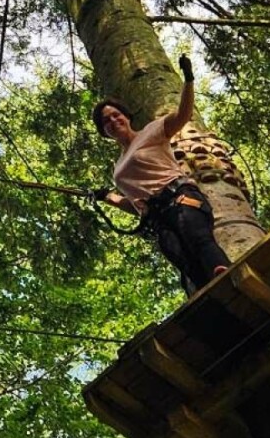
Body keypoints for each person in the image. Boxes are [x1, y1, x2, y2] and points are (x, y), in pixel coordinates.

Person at [91, 55, 232, 294]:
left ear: (126, 116)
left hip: (180, 197)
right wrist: (107, 197)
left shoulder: (151, 131)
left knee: (197, 237)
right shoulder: (118, 169)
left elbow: (182, 115)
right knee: (184, 261)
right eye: (107, 121)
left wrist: (188, 80)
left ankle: (225, 274)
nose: (114, 121)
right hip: (157, 217)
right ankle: (211, 298)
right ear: (104, 132)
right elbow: (135, 203)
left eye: (116, 115)